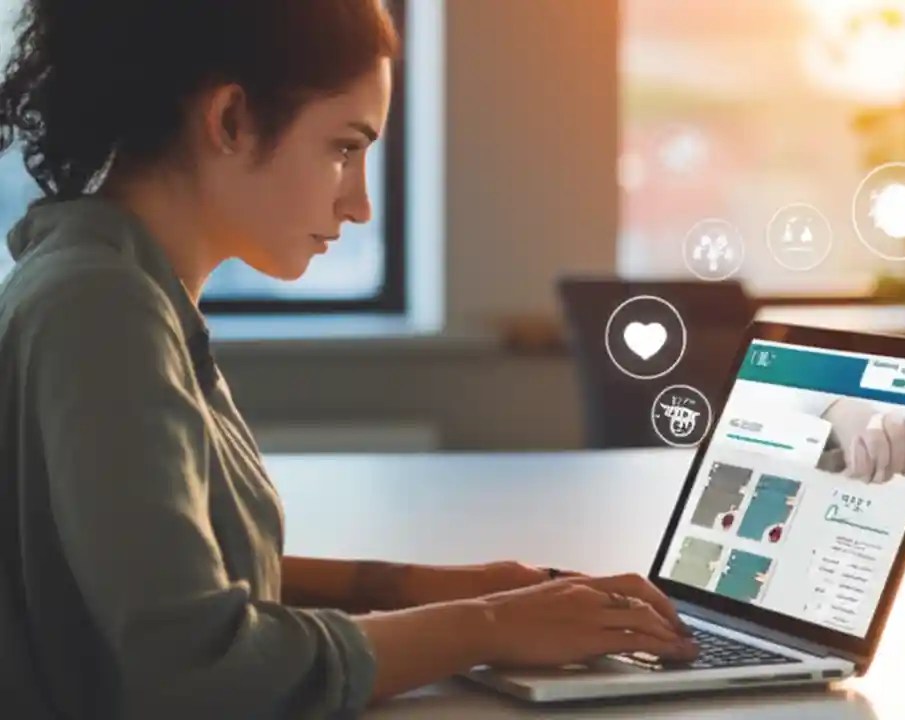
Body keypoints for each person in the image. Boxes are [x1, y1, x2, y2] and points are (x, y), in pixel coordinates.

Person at [0, 1, 696, 718]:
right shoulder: (106, 309)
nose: (360, 203)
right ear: (231, 120)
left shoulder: (106, 281)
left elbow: (163, 585)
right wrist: (492, 627)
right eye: (343, 147)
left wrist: (438, 588)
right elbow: (199, 667)